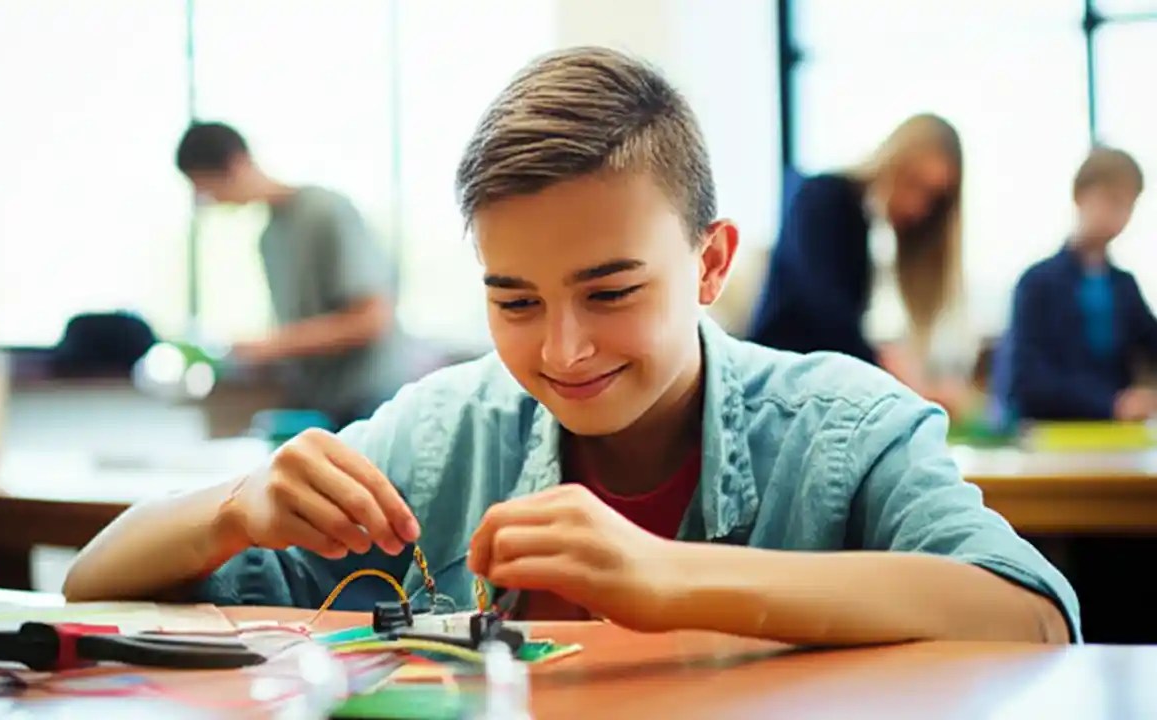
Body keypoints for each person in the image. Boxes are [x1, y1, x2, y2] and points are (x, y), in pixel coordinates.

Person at [65, 48, 1076, 645]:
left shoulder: (841, 425)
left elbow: (1029, 613)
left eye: (611, 291)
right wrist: (236, 505)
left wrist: (672, 579)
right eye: (511, 300)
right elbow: (91, 586)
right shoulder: (434, 436)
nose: (562, 348)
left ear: (710, 263)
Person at [175, 122, 409, 427]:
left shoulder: (325, 211)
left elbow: (372, 320)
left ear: (236, 164)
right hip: (319, 404)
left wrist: (267, 346)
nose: (207, 200)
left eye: (205, 187)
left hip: (369, 402)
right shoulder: (270, 237)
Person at [748, 114, 970, 411]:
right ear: (893, 162)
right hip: (776, 394)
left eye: (933, 198)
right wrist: (893, 375)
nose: (918, 207)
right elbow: (827, 315)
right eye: (914, 183)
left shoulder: (867, 228)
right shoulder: (822, 199)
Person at [1001, 146, 1157, 421]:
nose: (1118, 215)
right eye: (1111, 199)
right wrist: (1112, 404)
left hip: (1119, 441)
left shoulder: (1125, 287)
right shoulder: (1037, 284)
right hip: (1052, 441)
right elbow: (1027, 383)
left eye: (1127, 205)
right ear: (1080, 195)